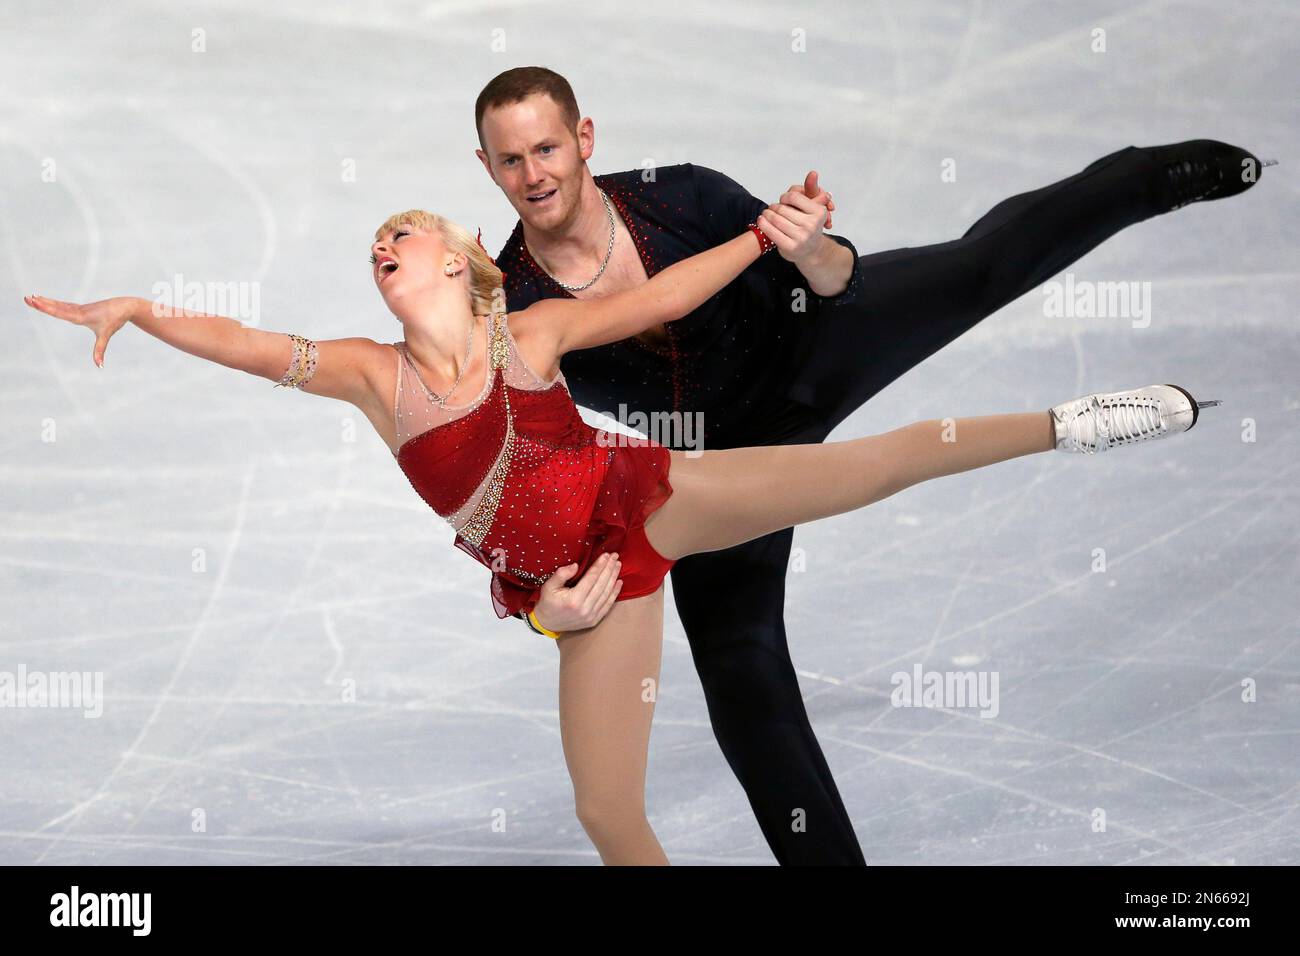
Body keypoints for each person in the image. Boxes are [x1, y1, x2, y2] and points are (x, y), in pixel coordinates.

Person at [23, 205, 1217, 865]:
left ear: (453, 256)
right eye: (369, 246)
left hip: (643, 496)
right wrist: (139, 308)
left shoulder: (526, 336)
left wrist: (761, 237)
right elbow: (248, 346)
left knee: (860, 468)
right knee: (607, 814)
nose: (380, 249)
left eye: (401, 232)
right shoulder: (368, 375)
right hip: (582, 590)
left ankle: (1078, 420)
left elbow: (656, 299)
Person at [472, 66, 1266, 865]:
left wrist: (815, 249)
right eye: (511, 160)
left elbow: (831, 281)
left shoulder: (680, 195)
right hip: (724, 462)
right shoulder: (514, 306)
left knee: (983, 266)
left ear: (584, 139)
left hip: (818, 346)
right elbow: (524, 471)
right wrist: (542, 604)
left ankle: (1152, 177)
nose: (534, 174)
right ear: (486, 168)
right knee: (741, 672)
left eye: (547, 148)